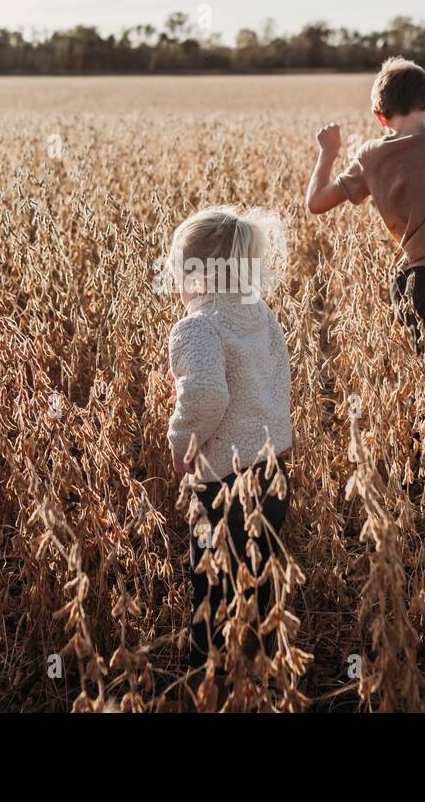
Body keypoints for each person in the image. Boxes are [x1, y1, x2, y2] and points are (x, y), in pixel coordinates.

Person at [304, 56, 425, 476]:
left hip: (409, 285)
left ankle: (422, 476)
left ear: (379, 116)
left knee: (423, 379)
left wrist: (329, 152)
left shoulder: (370, 155)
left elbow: (316, 204)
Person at [163, 205, 293, 672]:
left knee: (213, 589)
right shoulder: (261, 316)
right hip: (273, 474)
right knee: (260, 581)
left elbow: (205, 397)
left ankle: (211, 678)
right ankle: (261, 671)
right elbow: (278, 379)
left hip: (223, 483)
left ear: (196, 275)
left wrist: (182, 447)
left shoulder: (197, 328)